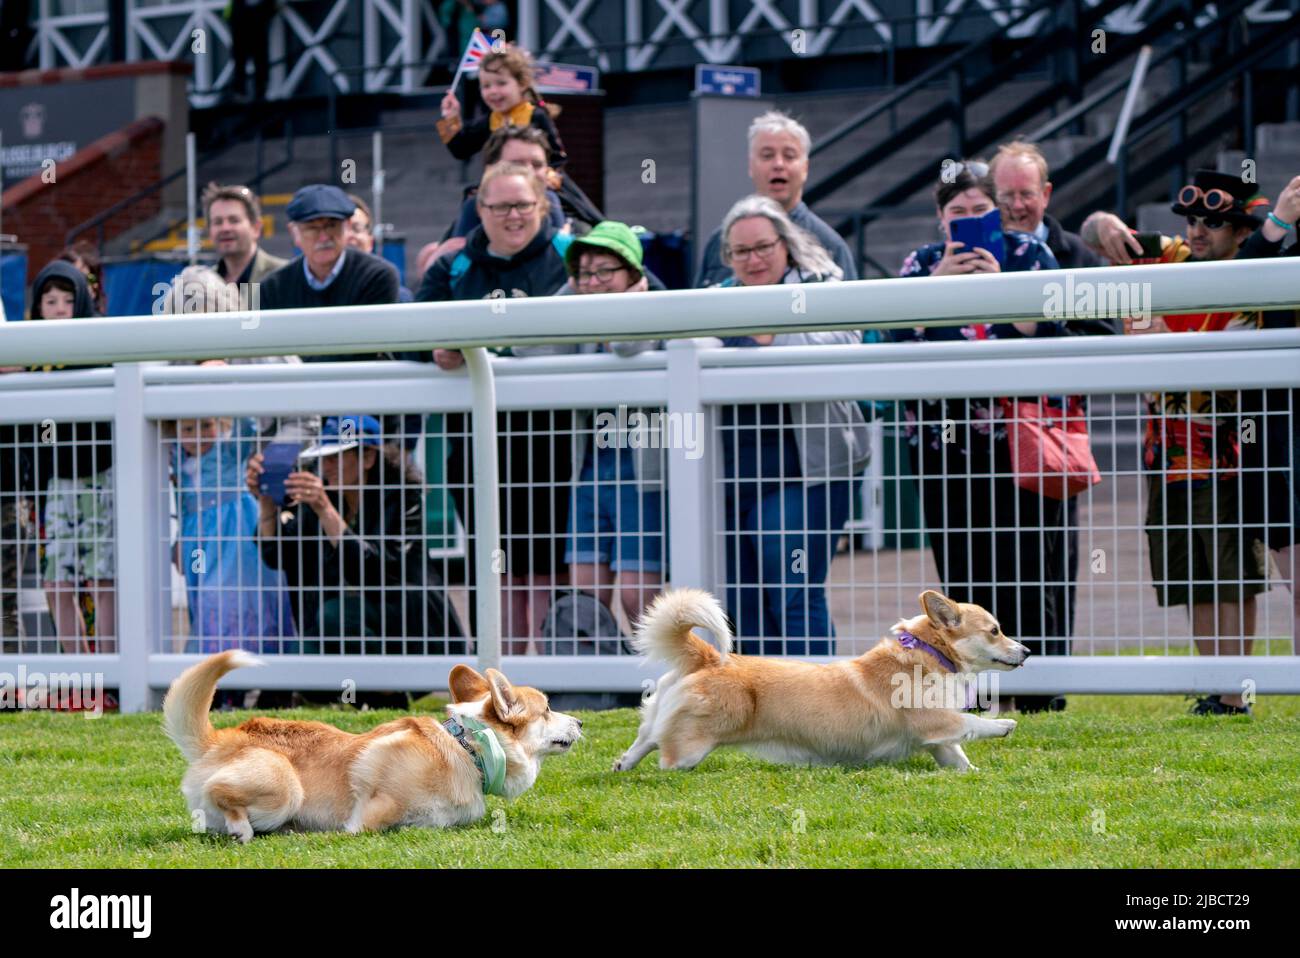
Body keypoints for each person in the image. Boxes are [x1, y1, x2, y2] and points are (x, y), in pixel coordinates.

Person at [1084, 170, 1279, 715]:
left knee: (1231, 575)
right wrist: (1107, 223)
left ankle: (1234, 692)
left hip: (1226, 454)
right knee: (1188, 575)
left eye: (1212, 223)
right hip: (1165, 454)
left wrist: (1157, 335)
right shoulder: (1168, 256)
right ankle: (1215, 683)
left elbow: (1212, 365)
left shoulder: (1249, 279)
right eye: (1192, 220)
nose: (1196, 230)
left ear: (1241, 232)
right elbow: (1092, 233)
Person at [888, 161, 1069, 711]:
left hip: (1018, 438)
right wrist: (936, 288)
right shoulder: (921, 265)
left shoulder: (1028, 255)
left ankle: (1035, 693)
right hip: (943, 443)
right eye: (957, 212)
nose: (968, 219)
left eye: (980, 210)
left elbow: (1051, 332)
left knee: (1027, 563)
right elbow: (895, 337)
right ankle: (977, 694)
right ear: (942, 219)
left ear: (998, 211)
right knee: (962, 564)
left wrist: (1000, 289)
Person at [415, 162, 573, 650]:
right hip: (476, 444)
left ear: (541, 206)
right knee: (493, 560)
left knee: (546, 562)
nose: (512, 216)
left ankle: (549, 669)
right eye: (500, 206)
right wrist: (435, 350)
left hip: (554, 442)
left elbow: (637, 292)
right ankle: (502, 671)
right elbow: (412, 335)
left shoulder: (571, 255)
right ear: (479, 209)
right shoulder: (452, 267)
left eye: (522, 204)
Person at [991, 139, 1117, 711]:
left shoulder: (1075, 256)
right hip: (983, 437)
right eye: (1006, 195)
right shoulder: (975, 250)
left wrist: (1044, 331)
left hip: (1050, 434)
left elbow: (1106, 336)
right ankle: (989, 685)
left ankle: (1046, 689)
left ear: (1046, 193)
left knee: (1050, 559)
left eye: (1026, 194)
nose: (1016, 206)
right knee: (990, 559)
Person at [713, 195, 870, 654]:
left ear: (786, 244)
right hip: (731, 476)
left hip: (805, 473)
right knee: (740, 604)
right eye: (741, 251)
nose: (754, 259)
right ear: (728, 257)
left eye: (763, 247)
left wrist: (770, 333)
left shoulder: (824, 285)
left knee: (795, 594)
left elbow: (844, 344)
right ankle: (765, 699)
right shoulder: (715, 299)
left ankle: (815, 698)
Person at [512, 221, 666, 634]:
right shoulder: (580, 317)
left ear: (633, 274)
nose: (593, 283)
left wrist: (632, 299)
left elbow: (628, 346)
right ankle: (604, 669)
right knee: (585, 594)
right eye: (584, 273)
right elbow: (524, 346)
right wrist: (572, 292)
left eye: (605, 271)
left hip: (641, 472)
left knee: (637, 597)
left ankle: (653, 672)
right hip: (590, 468)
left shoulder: (656, 309)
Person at [247, 416, 466, 650]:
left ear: (368, 457)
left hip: (405, 625)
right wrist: (267, 504)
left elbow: (377, 572)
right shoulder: (324, 497)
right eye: (323, 458)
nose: (326, 467)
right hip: (337, 626)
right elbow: (279, 557)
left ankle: (383, 677)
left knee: (336, 615)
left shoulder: (402, 498)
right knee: (300, 651)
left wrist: (326, 511)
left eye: (335, 457)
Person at [25, 261, 116, 652]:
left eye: (68, 300)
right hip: (55, 485)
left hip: (99, 478)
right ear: (38, 307)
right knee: (57, 580)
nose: (60, 308)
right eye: (50, 301)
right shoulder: (29, 355)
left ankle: (111, 667)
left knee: (102, 577)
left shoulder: (100, 347)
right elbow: (41, 433)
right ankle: (79, 669)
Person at [169, 415, 297, 651]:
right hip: (197, 543)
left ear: (218, 424)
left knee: (228, 593)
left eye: (206, 426)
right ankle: (210, 652)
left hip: (233, 536)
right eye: (188, 430)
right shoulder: (176, 458)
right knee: (201, 590)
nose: (198, 436)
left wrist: (224, 400)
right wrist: (179, 543)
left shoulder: (229, 451)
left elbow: (246, 424)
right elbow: (181, 505)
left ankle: (246, 650)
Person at [695, 111, 857, 288]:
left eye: (789, 156)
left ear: (805, 167)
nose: (778, 164)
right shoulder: (720, 240)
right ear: (750, 166)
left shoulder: (830, 245)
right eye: (767, 155)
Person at [258, 185, 402, 363]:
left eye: (331, 226)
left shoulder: (377, 276)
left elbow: (369, 347)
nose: (324, 237)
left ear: (347, 227)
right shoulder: (273, 287)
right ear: (294, 233)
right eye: (312, 228)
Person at [437, 44, 567, 167]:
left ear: (522, 83)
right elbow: (460, 151)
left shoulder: (535, 116)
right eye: (486, 86)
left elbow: (557, 159)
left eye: (501, 83)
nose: (493, 91)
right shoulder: (491, 120)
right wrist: (451, 118)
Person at [202, 183, 286, 288]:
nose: (225, 228)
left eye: (234, 220)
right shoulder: (203, 283)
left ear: (256, 228)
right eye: (218, 222)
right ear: (209, 232)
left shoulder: (285, 276)